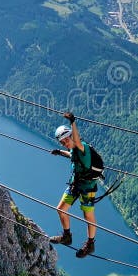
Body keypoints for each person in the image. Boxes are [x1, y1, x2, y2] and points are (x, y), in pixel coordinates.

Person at [49, 111, 98, 258]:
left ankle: (90, 244)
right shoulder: (73, 150)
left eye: (66, 139)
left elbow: (76, 142)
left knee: (87, 215)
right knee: (61, 209)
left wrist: (73, 122)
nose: (65, 143)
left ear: (71, 136)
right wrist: (60, 152)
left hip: (87, 188)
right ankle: (67, 236)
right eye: (62, 142)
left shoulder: (83, 147)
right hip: (75, 186)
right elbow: (72, 154)